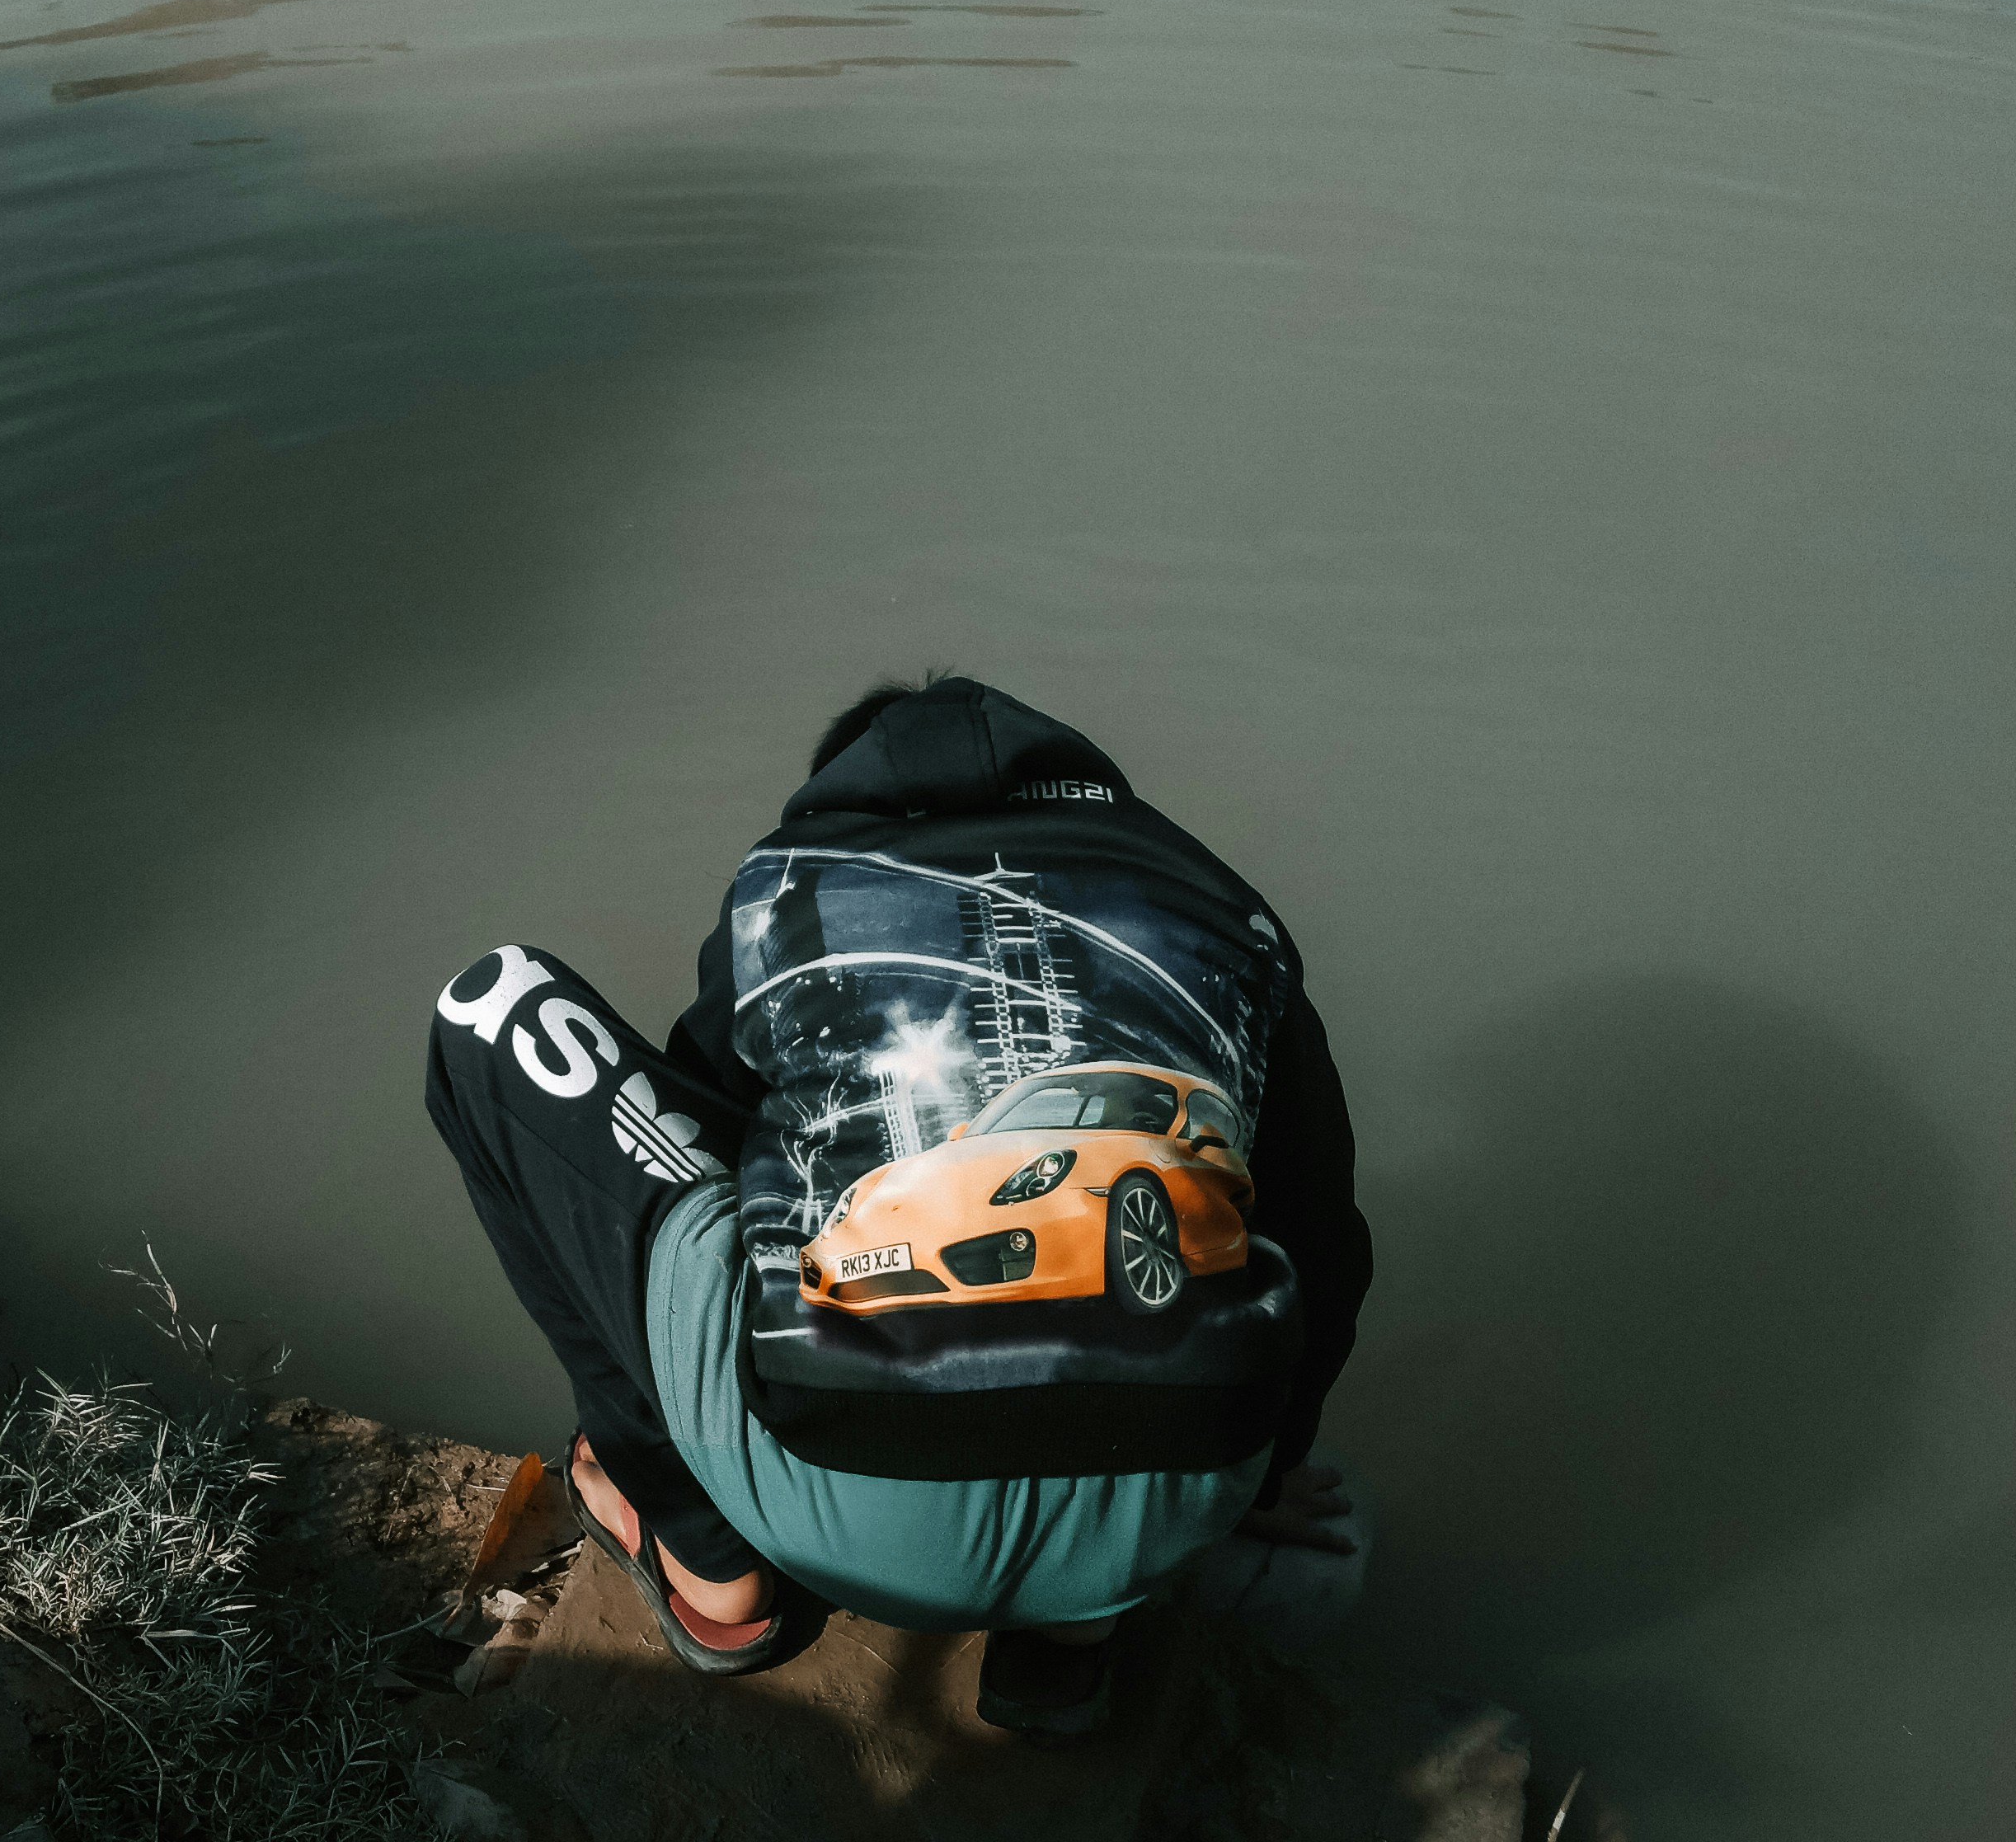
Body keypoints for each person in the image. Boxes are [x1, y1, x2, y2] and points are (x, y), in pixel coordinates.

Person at [425, 675, 1371, 1734]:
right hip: (1162, 1521)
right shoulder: (1227, 909)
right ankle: (1064, 1646)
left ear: (840, 791)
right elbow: (1322, 1240)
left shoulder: (789, 883)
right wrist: (1260, 1464)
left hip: (843, 1514)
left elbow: (706, 1142)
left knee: (491, 1003)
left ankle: (709, 1563)